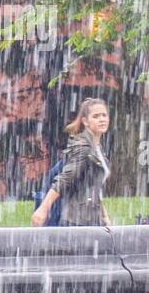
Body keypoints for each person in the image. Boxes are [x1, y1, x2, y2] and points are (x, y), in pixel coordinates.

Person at [32, 98, 112, 228]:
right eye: (96, 116)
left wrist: (105, 217)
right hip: (77, 221)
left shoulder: (96, 148)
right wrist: (43, 209)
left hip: (90, 219)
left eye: (104, 115)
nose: (102, 119)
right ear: (85, 121)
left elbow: (93, 188)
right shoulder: (84, 147)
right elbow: (65, 179)